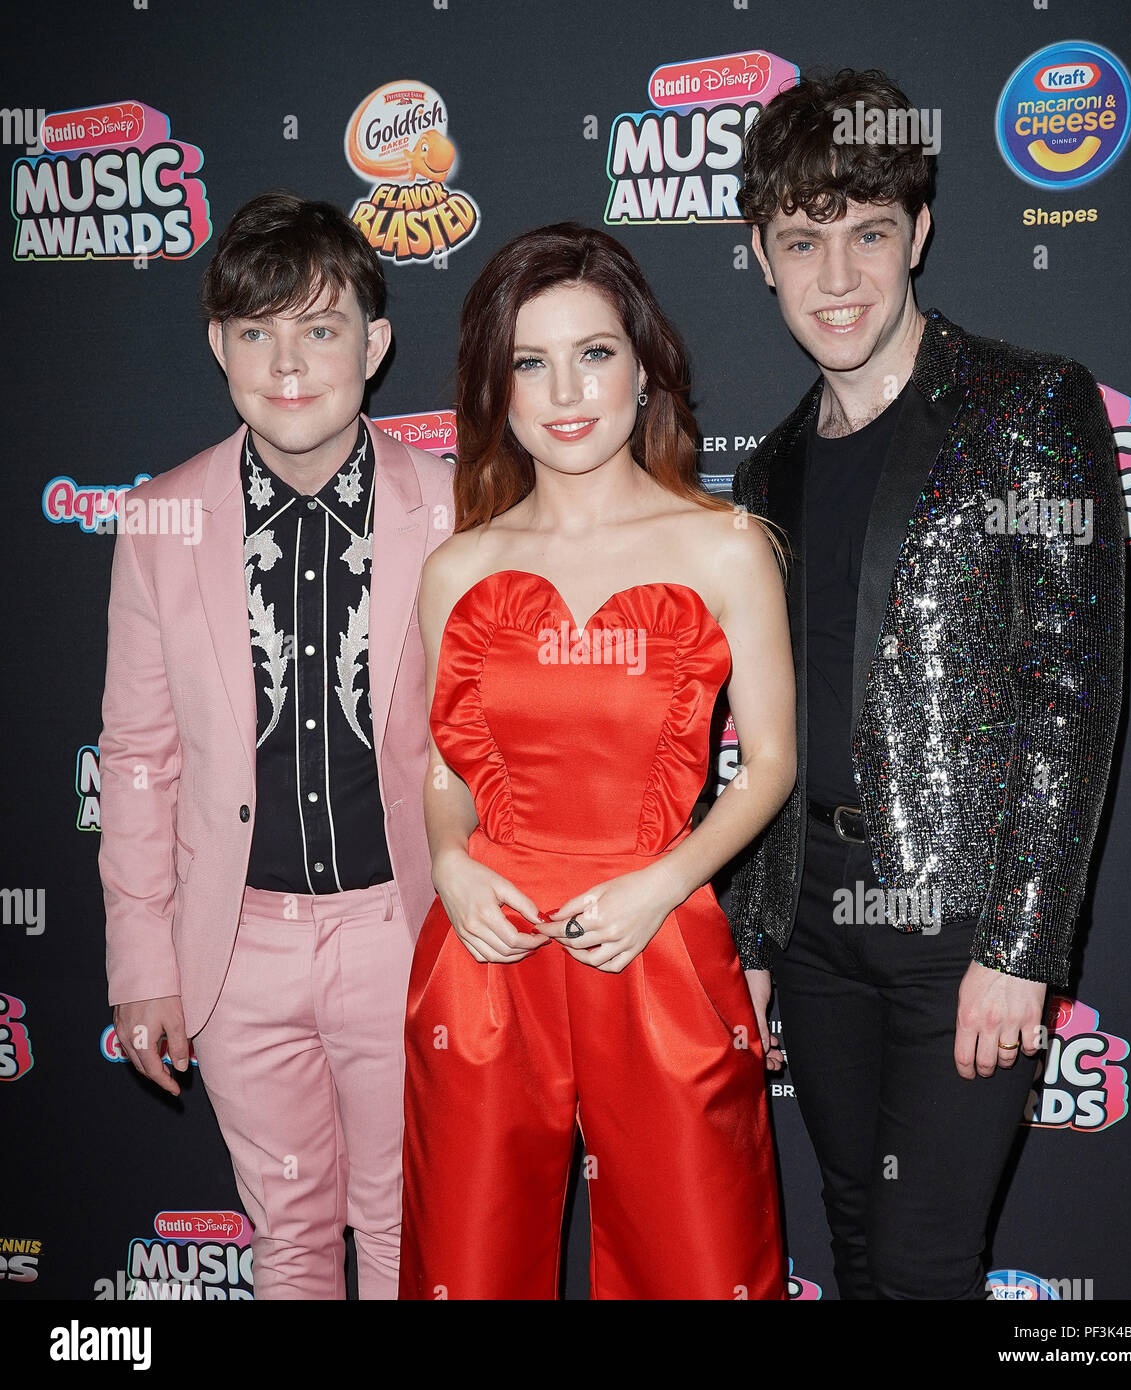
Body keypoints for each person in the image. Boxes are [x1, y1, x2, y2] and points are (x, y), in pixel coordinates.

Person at [725, 69, 1126, 1299]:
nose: (836, 277)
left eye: (868, 235)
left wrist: (1020, 942)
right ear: (761, 252)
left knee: (922, 1259)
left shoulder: (1026, 405)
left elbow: (1072, 693)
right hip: (815, 923)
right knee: (851, 1233)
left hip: (961, 921)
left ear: (920, 234)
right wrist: (753, 933)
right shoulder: (773, 470)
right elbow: (765, 731)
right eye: (803, 242)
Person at [397, 222, 795, 1300]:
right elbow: (445, 767)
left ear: (644, 366)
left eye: (594, 352)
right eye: (531, 360)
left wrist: (664, 881)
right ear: (497, 386)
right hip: (487, 945)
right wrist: (451, 861)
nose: (565, 389)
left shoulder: (725, 545)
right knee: (467, 1268)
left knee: (698, 1259)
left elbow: (768, 763)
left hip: (659, 936)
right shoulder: (459, 567)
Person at [98, 191, 454, 1298]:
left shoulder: (455, 510)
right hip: (235, 948)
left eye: (319, 326)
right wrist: (141, 963)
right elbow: (136, 755)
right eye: (256, 331)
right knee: (288, 1235)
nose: (287, 362)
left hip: (402, 931)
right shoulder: (159, 520)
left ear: (374, 344)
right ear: (219, 347)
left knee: (406, 1226)